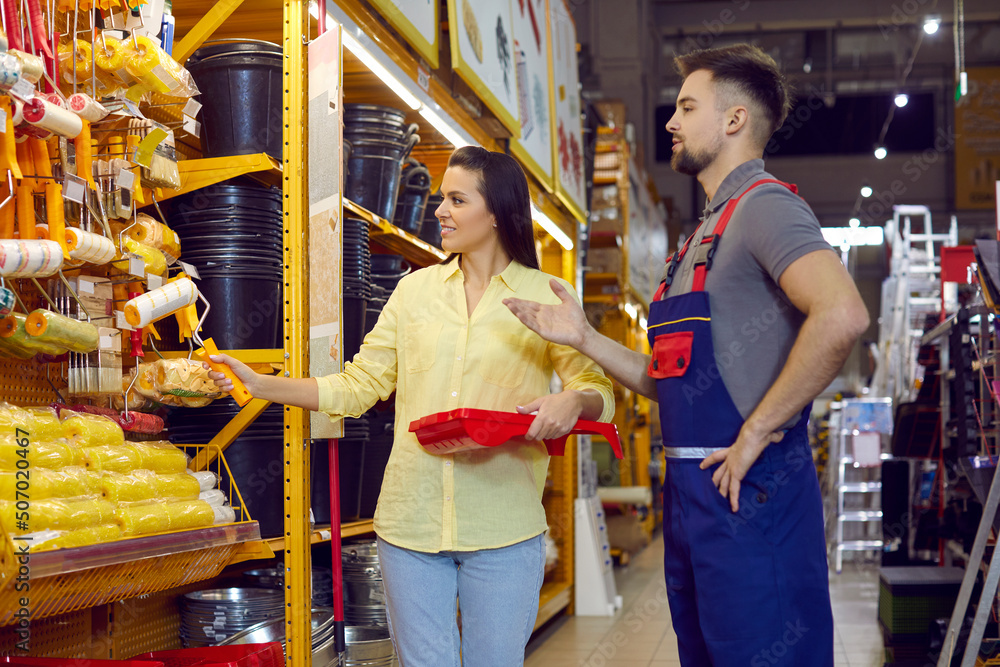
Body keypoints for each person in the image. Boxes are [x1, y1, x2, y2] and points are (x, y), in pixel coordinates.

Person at [505, 44, 869, 666]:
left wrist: (758, 429)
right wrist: (585, 338)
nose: (670, 123)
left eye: (686, 106)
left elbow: (842, 315)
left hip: (749, 492)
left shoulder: (766, 206)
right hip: (693, 499)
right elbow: (666, 381)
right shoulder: (703, 234)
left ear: (733, 121)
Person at [205, 146, 614, 667]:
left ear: (496, 212)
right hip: (411, 523)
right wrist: (263, 385)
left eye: (457, 199)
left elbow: (599, 388)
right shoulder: (414, 292)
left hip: (504, 526)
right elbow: (356, 387)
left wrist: (571, 399)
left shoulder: (545, 295)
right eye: (442, 198)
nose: (440, 210)